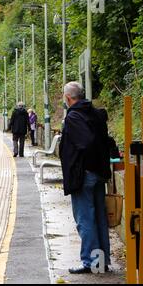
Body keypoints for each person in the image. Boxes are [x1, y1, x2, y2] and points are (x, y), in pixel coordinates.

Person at [59, 82, 112, 274]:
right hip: (99, 173)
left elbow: (86, 142)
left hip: (85, 175)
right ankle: (101, 262)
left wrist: (80, 166)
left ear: (68, 98)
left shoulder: (74, 117)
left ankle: (91, 262)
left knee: (85, 219)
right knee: (99, 218)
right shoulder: (95, 113)